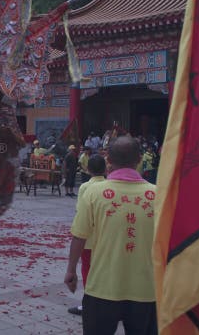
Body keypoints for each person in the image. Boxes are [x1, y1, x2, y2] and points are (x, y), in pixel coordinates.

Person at [65, 136, 158, 334]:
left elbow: (79, 236)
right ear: (140, 159)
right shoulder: (157, 194)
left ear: (108, 160)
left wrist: (71, 271)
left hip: (102, 288)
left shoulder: (93, 192)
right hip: (146, 290)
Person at [67, 154, 106, 316]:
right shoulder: (109, 186)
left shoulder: (85, 187)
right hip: (104, 239)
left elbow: (80, 212)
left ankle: (88, 304)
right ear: (105, 169)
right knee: (103, 270)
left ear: (88, 170)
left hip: (88, 239)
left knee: (87, 271)